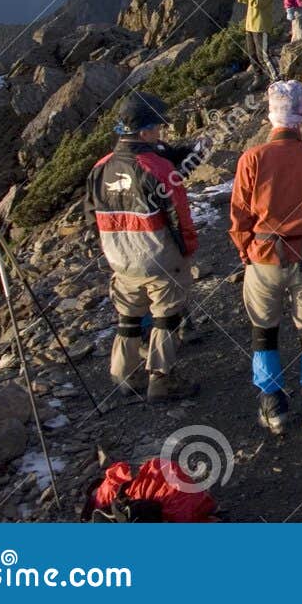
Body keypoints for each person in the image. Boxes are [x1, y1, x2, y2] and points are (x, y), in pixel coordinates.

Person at [229, 81, 302, 433]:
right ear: (300, 118)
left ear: (271, 116)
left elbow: (239, 217)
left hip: (264, 257)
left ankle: (272, 402)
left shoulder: (252, 159)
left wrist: (246, 252)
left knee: (264, 330)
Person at [85, 93, 199, 402]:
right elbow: (179, 214)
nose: (161, 133)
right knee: (165, 316)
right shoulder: (155, 167)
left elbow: (90, 214)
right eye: (158, 128)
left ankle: (124, 374)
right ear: (145, 132)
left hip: (119, 258)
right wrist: (187, 248)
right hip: (157, 254)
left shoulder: (100, 168)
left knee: (129, 315)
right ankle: (161, 380)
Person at [236, 0, 280, 81]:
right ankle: (258, 76)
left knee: (263, 56)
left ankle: (275, 78)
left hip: (261, 27)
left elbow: (257, 4)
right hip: (250, 27)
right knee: (252, 55)